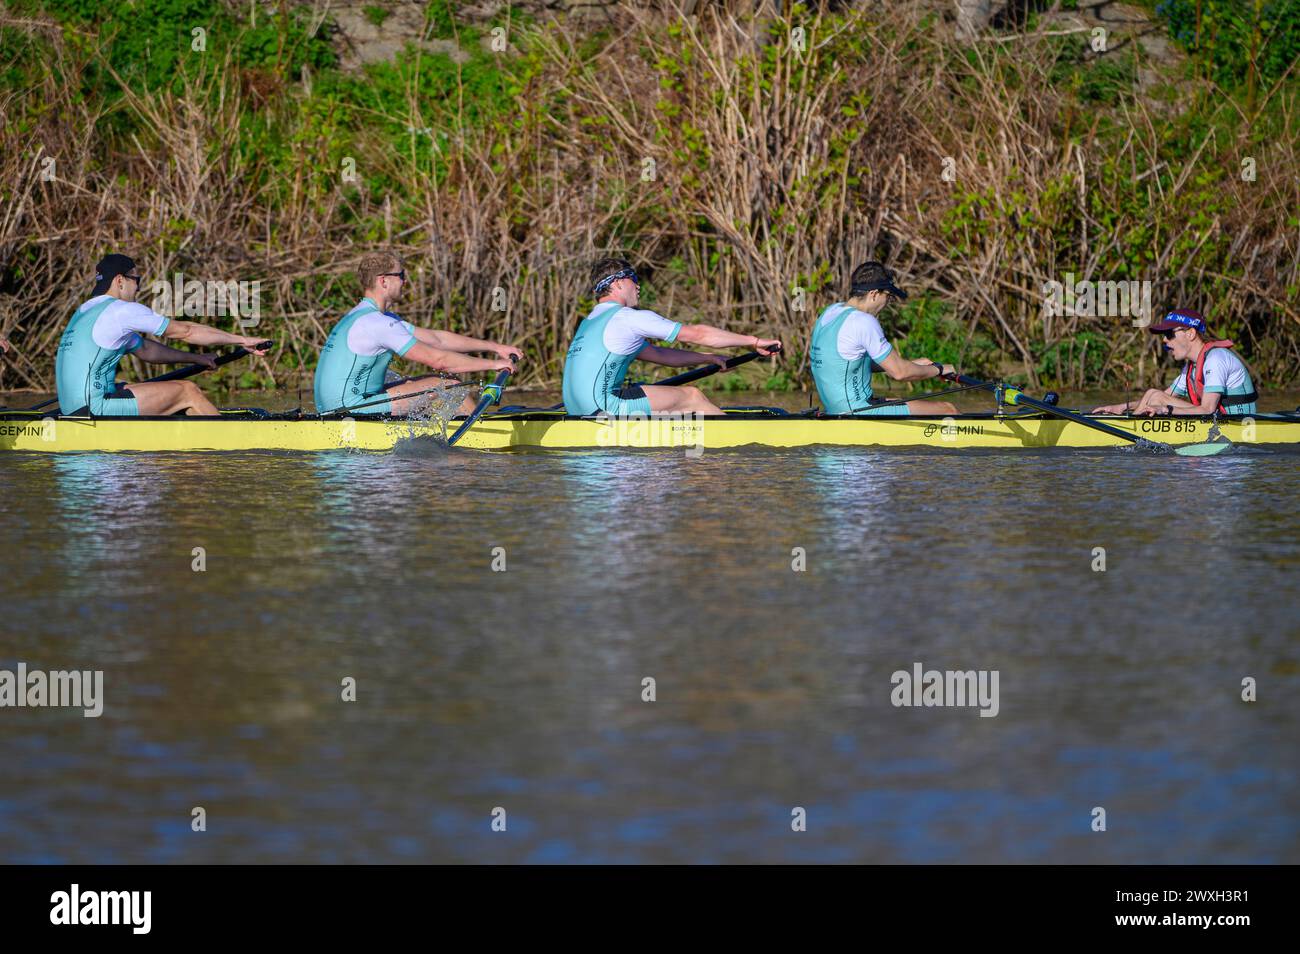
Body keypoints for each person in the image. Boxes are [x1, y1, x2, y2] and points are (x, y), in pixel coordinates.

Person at [562, 257, 781, 416]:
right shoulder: (626, 318)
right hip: (603, 407)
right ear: (617, 283)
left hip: (576, 409)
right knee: (692, 397)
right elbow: (698, 334)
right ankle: (741, 440)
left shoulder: (589, 322)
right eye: (633, 279)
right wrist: (754, 341)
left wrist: (710, 358)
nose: (638, 286)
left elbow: (660, 354)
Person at [56, 254, 271, 416]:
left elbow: (147, 350)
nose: (138, 287)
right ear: (120, 280)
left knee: (129, 386)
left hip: (72, 406)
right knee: (187, 391)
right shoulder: (121, 310)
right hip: (93, 409)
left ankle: (196, 442)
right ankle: (233, 444)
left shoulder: (84, 311)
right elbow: (186, 331)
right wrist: (243, 340)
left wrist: (198, 359)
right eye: (136, 279)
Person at [314, 252, 519, 416]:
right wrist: (493, 364)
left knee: (430, 382)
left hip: (342, 404)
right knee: (451, 386)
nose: (405, 282)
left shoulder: (367, 316)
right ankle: (481, 436)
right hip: (348, 410)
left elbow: (438, 340)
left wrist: (495, 348)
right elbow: (439, 360)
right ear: (383, 281)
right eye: (401, 276)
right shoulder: (377, 323)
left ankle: (463, 421)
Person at [810, 262, 958, 416]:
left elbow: (842, 363)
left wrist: (912, 364)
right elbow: (900, 373)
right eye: (888, 296)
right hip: (857, 410)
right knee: (949, 409)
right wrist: (939, 369)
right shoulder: (863, 321)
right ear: (873, 294)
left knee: (902, 400)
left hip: (836, 409)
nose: (888, 303)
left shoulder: (830, 311)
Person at [1093, 309, 1258, 416]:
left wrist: (1166, 410)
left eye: (1169, 333)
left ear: (1191, 333)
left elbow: (1207, 409)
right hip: (1218, 419)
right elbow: (1159, 398)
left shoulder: (1216, 359)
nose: (1164, 340)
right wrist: (1121, 407)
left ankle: (1131, 426)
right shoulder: (1191, 368)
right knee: (1152, 393)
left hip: (1241, 425)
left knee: (1156, 396)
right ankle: (1130, 422)